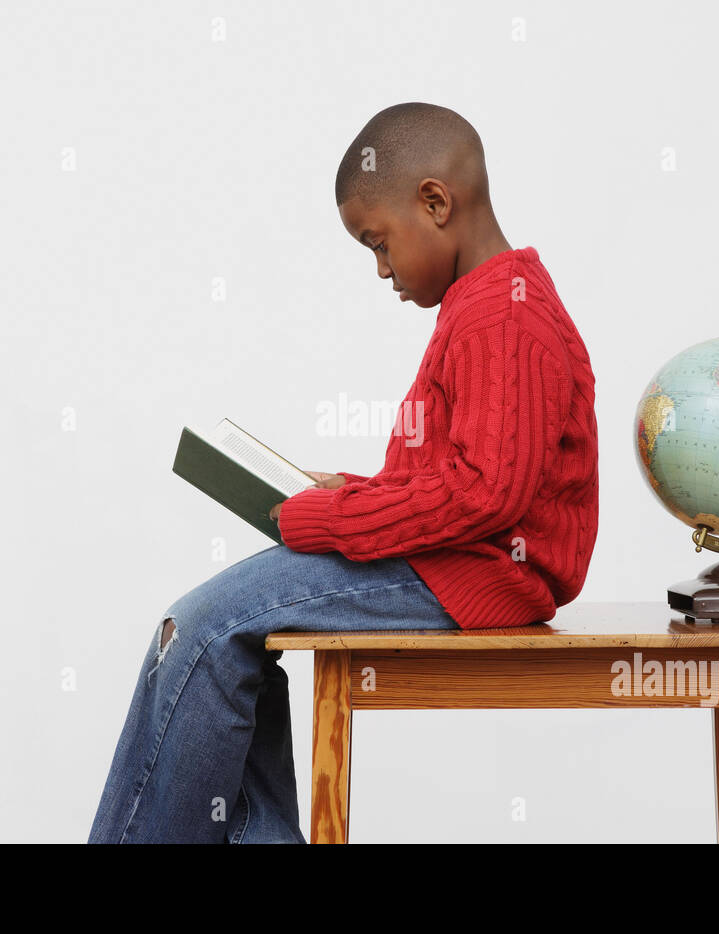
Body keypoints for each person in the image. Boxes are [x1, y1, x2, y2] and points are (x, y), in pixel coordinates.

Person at [87, 101, 599, 844]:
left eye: (378, 242)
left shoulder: (504, 315)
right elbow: (457, 477)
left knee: (200, 629)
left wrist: (329, 518)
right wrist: (354, 494)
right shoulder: (481, 307)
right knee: (230, 645)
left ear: (435, 202)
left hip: (480, 575)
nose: (383, 269)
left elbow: (489, 493)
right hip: (453, 562)